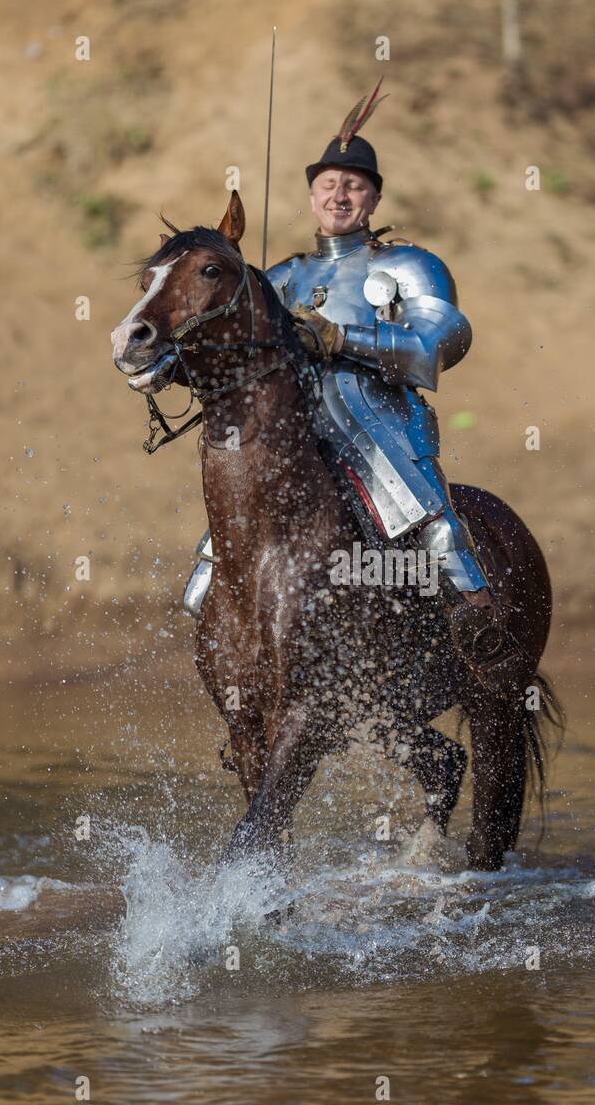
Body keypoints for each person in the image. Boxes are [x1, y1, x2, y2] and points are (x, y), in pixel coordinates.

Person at [185, 81, 523, 695]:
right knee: (216, 557)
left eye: (353, 185)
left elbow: (440, 344)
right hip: (295, 429)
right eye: (327, 185)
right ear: (312, 197)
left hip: (381, 425)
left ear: (372, 199)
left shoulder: (409, 265)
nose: (339, 195)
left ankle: (478, 622)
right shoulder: (281, 277)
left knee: (432, 526)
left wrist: (342, 340)